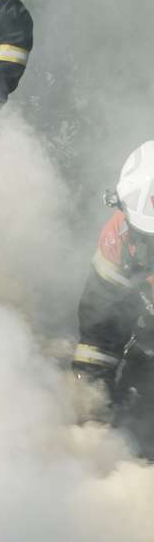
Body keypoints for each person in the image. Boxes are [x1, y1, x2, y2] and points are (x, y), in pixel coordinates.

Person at [72, 141, 154, 453]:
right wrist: (92, 403)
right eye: (145, 236)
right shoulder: (120, 236)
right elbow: (99, 327)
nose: (146, 250)